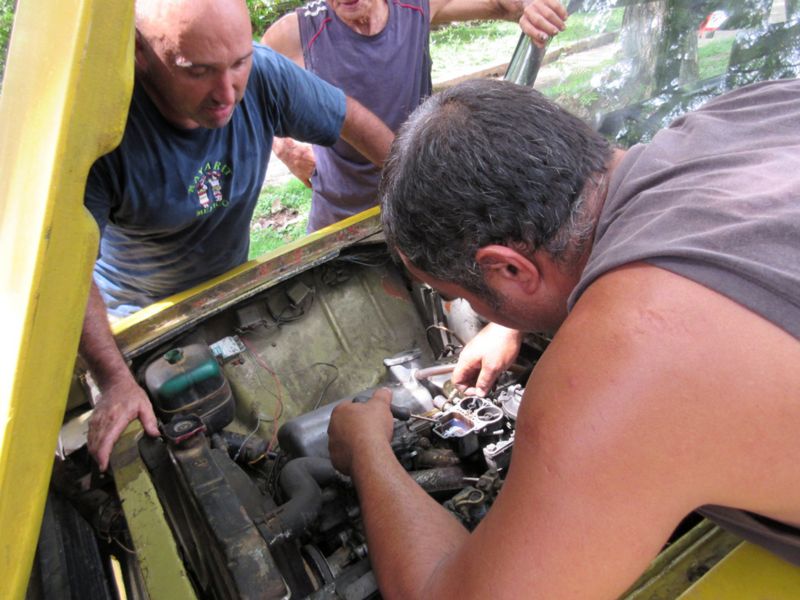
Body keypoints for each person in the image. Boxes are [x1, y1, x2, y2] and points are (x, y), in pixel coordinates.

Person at [327, 76, 800, 598]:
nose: (470, 310)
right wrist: (511, 316)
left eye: (462, 295)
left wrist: (368, 450)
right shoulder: (752, 106)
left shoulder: (631, 356)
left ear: (509, 269)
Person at [81, 0, 394, 472]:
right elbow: (64, 272)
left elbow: (354, 121)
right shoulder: (102, 125)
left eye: (238, 62)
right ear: (139, 53)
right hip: (137, 321)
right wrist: (114, 381)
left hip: (230, 294)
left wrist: (416, 205)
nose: (226, 92)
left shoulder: (264, 76)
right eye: (197, 71)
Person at [261, 0, 544, 231]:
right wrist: (286, 149)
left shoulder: (415, 6)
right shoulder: (299, 30)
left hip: (419, 204)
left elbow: (503, 5)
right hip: (340, 216)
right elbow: (253, 87)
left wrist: (531, 8)